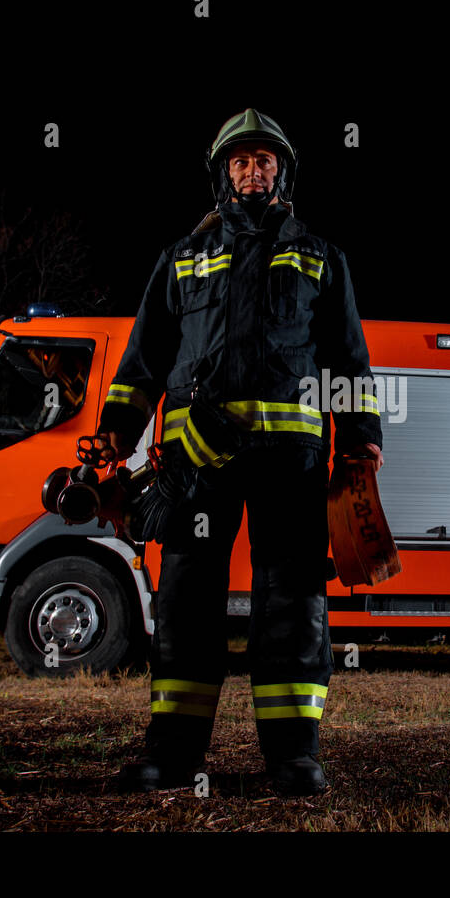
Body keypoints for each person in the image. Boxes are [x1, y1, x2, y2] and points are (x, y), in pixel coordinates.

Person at [96, 109, 383, 796]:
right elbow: (142, 361)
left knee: (291, 599)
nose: (253, 170)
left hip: (291, 463)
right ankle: (171, 750)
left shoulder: (320, 256)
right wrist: (114, 434)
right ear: (224, 174)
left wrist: (363, 440)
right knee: (187, 598)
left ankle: (294, 756)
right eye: (241, 161)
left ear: (283, 172)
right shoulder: (181, 258)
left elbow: (348, 360)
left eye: (264, 160)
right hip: (196, 463)